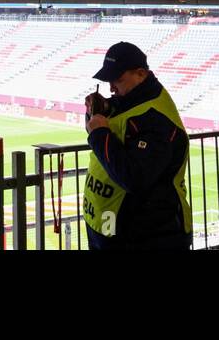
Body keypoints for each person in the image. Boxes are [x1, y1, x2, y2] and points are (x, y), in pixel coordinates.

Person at [82, 42, 191, 250]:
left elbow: (134, 177)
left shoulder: (158, 119)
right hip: (111, 225)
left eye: (118, 80)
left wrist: (99, 134)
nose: (112, 88)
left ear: (141, 74)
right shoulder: (133, 97)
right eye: (109, 81)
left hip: (146, 235)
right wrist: (101, 108)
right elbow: (121, 115)